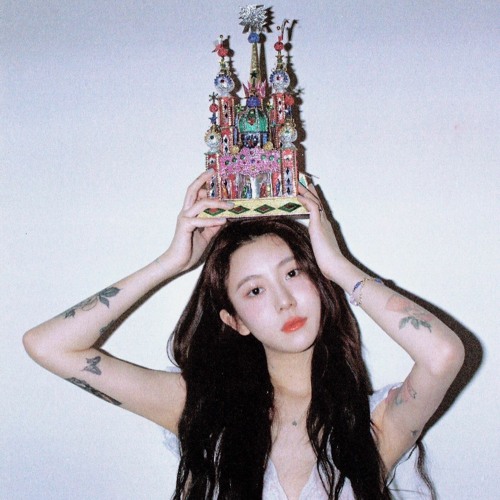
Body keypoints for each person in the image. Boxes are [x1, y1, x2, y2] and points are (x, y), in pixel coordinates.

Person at [23, 170, 464, 499]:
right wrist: (172, 262)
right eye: (255, 290)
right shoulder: (201, 407)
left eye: (293, 273)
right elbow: (49, 345)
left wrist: (339, 267)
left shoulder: (372, 424)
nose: (284, 301)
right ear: (235, 320)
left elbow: (442, 355)